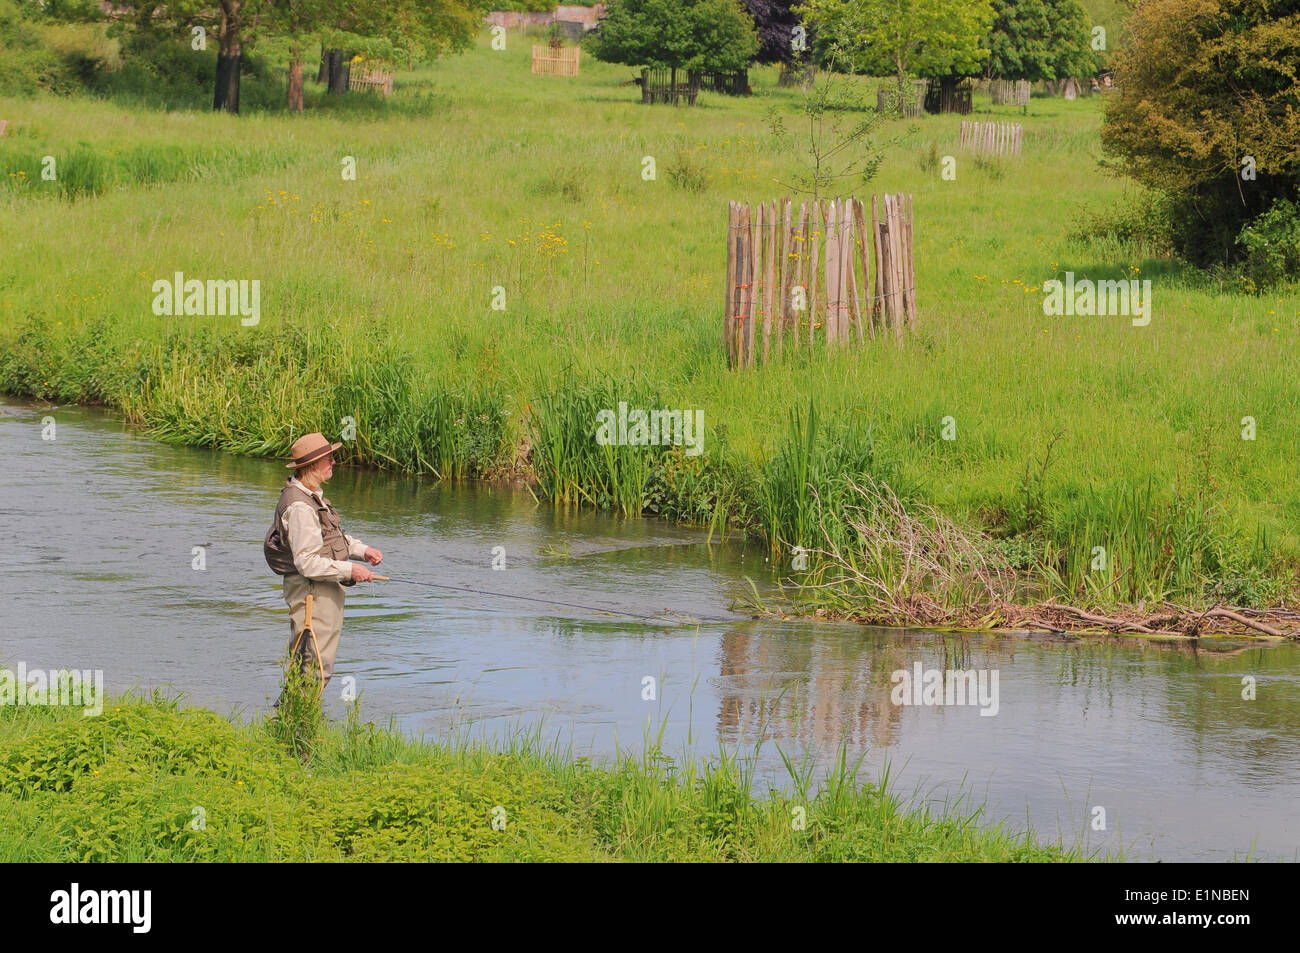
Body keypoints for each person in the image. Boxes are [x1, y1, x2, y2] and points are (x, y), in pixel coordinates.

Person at [264, 432, 382, 700]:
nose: (334, 462)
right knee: (312, 666)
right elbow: (307, 562)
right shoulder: (300, 507)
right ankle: (295, 729)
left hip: (321, 592)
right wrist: (351, 570)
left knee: (315, 664)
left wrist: (363, 552)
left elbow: (330, 540)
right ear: (312, 465)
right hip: (312, 594)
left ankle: (295, 726)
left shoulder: (312, 496)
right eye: (329, 458)